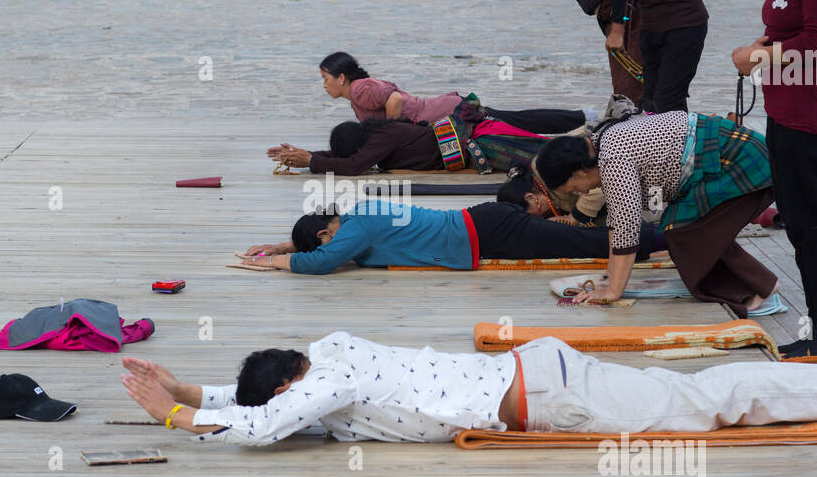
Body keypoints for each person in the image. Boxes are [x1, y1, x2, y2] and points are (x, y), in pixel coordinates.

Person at [120, 332, 817, 444]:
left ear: (289, 384)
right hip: (540, 375)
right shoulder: (330, 353)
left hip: (546, 396)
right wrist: (191, 390)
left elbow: (266, 424)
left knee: (702, 404)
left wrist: (176, 416)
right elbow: (264, 409)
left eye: (284, 400)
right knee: (692, 392)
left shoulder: (328, 380)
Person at [534, 111, 781, 315]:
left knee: (685, 232)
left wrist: (613, 291)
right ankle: (752, 284)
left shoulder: (612, 160)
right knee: (688, 229)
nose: (584, 191)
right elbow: (617, 224)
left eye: (575, 188)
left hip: (736, 159)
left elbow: (627, 227)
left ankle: (761, 286)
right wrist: (611, 275)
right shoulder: (602, 142)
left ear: (578, 173)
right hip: (723, 157)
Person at [732, 0, 817, 358]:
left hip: (808, 119)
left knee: (809, 232)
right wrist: (761, 43)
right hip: (783, 111)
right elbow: (787, 26)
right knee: (800, 231)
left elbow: (814, 37)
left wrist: (757, 56)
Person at [238, 197, 661, 274]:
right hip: (484, 226)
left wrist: (273, 263)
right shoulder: (356, 216)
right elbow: (324, 246)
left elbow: (323, 262)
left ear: (325, 234)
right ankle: (664, 236)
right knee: (582, 240)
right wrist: (285, 244)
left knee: (586, 243)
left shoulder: (355, 229)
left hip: (489, 232)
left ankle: (672, 235)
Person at [318, 51, 589, 130]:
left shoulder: (360, 89)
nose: (324, 84)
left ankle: (583, 117)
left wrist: (394, 131)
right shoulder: (357, 96)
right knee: (514, 121)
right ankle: (581, 118)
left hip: (452, 112)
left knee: (516, 122)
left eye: (325, 78)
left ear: (341, 77)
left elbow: (395, 99)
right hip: (450, 110)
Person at [269, 112, 564, 177]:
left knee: (547, 155)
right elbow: (351, 156)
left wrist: (311, 161)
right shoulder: (374, 134)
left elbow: (355, 164)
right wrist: (306, 155)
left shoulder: (381, 138)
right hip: (476, 137)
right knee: (544, 149)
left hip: (483, 144)